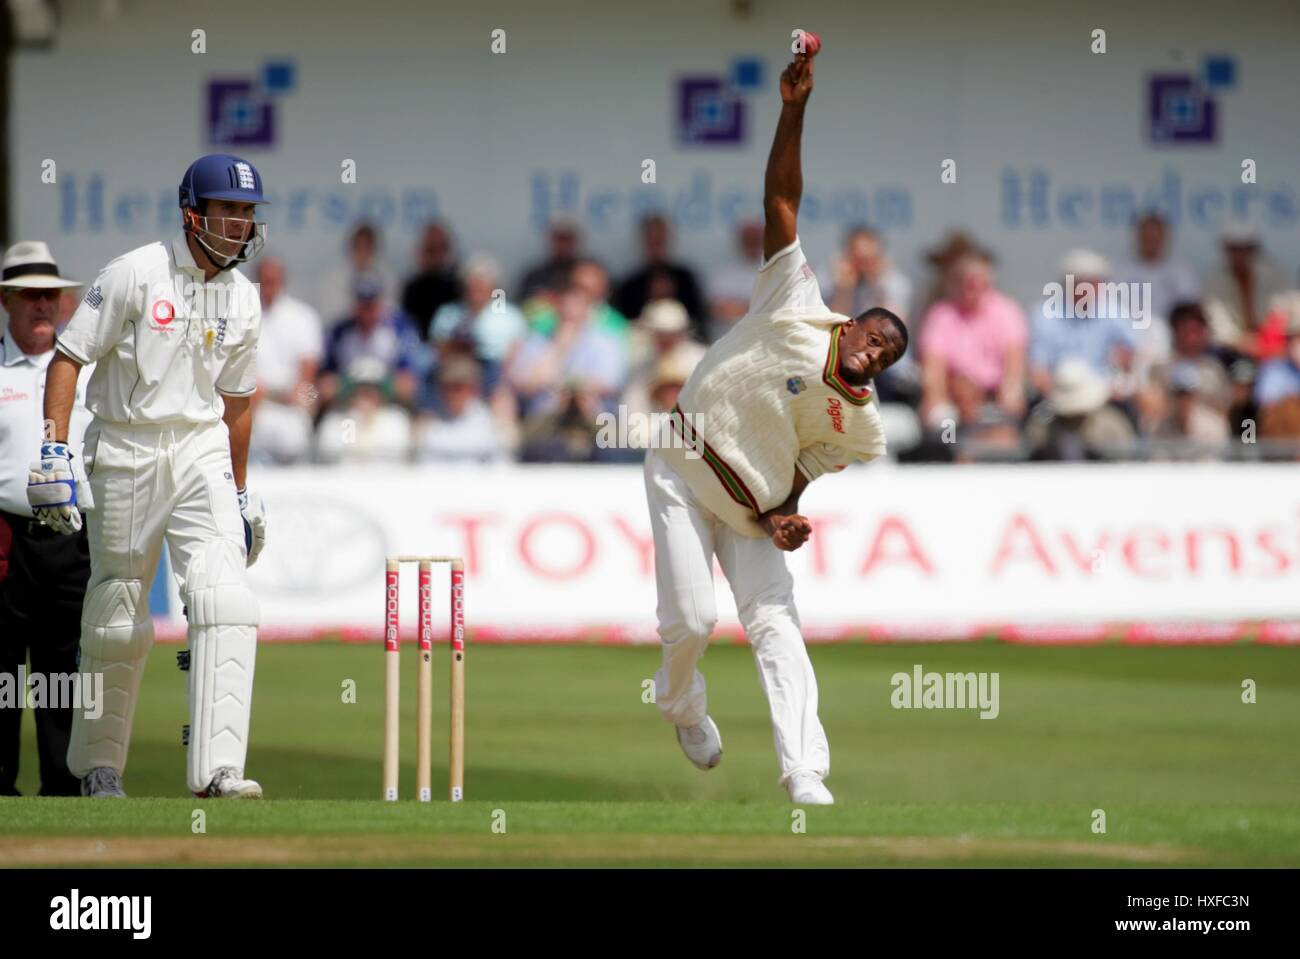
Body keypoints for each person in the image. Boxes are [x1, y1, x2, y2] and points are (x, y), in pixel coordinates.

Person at [643, 51, 906, 805]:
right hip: (680, 463)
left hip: (751, 505)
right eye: (871, 334)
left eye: (885, 353)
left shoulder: (861, 426)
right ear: (851, 322)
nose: (872, 348)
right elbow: (781, 200)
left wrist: (784, 513)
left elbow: (805, 467)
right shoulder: (796, 300)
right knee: (691, 620)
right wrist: (793, 109)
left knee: (775, 622)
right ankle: (681, 705)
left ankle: (804, 770)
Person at [30, 154, 271, 799]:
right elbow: (69, 356)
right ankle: (97, 769)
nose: (239, 225)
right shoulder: (136, 273)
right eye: (228, 211)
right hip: (127, 448)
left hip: (201, 450)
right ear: (193, 214)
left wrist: (241, 493)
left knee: (228, 600)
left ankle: (219, 772)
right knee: (117, 609)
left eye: (247, 213)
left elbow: (238, 403)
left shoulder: (244, 297)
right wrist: (54, 450)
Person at [0, 242, 90, 796]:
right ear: (7, 300)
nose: (42, 305)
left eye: (50, 295)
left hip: (71, 536)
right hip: (6, 533)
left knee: (62, 668)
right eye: (31, 295)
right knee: (3, 666)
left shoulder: (86, 369)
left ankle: (62, 784)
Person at [249, 256, 323, 465]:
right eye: (264, 280)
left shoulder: (302, 316)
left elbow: (307, 375)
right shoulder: (244, 316)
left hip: (292, 406)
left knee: (295, 435)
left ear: (283, 281)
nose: (269, 285)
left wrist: (291, 396)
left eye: (274, 280)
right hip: (255, 406)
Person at [611, 214, 707, 341]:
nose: (656, 245)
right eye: (652, 240)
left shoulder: (685, 278)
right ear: (644, 241)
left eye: (660, 240)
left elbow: (698, 318)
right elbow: (623, 324)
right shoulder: (630, 284)